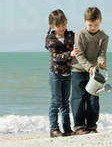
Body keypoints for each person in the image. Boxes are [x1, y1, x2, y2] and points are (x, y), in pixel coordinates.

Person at [70, 6, 108, 135]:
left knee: (93, 98)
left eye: (96, 25)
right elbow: (79, 54)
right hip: (78, 70)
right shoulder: (79, 34)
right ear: (85, 21)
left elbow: (102, 53)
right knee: (78, 98)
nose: (93, 27)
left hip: (94, 73)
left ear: (100, 21)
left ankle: (92, 126)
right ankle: (80, 126)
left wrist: (101, 62)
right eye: (90, 25)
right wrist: (89, 67)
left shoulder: (104, 37)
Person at [44, 9, 79, 137]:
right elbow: (55, 57)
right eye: (59, 26)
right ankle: (54, 129)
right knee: (55, 102)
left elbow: (82, 37)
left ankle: (67, 129)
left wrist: (99, 34)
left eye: (64, 24)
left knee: (65, 102)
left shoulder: (70, 35)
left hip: (67, 74)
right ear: (52, 26)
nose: (62, 27)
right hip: (55, 75)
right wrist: (69, 54)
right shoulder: (51, 39)